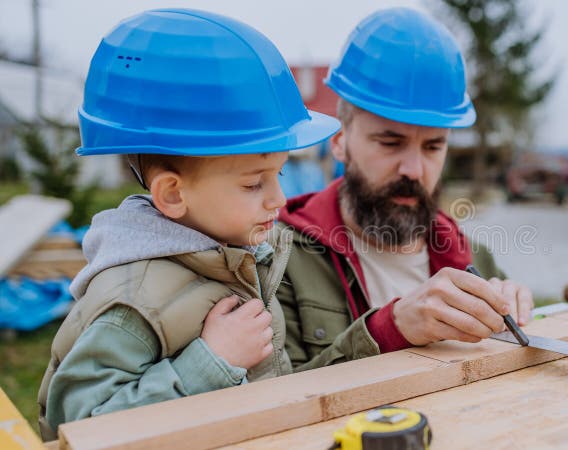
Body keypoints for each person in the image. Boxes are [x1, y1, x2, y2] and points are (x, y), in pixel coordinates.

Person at [37, 8, 340, 439]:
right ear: (174, 195)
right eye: (254, 183)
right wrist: (211, 361)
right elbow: (79, 425)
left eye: (279, 174)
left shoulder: (236, 253)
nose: (279, 199)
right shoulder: (134, 299)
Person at [275, 7, 533, 371]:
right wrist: (389, 331)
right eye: (390, 143)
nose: (414, 170)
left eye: (433, 147)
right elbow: (273, 402)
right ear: (339, 142)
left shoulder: (472, 256)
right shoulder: (279, 260)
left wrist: (514, 310)